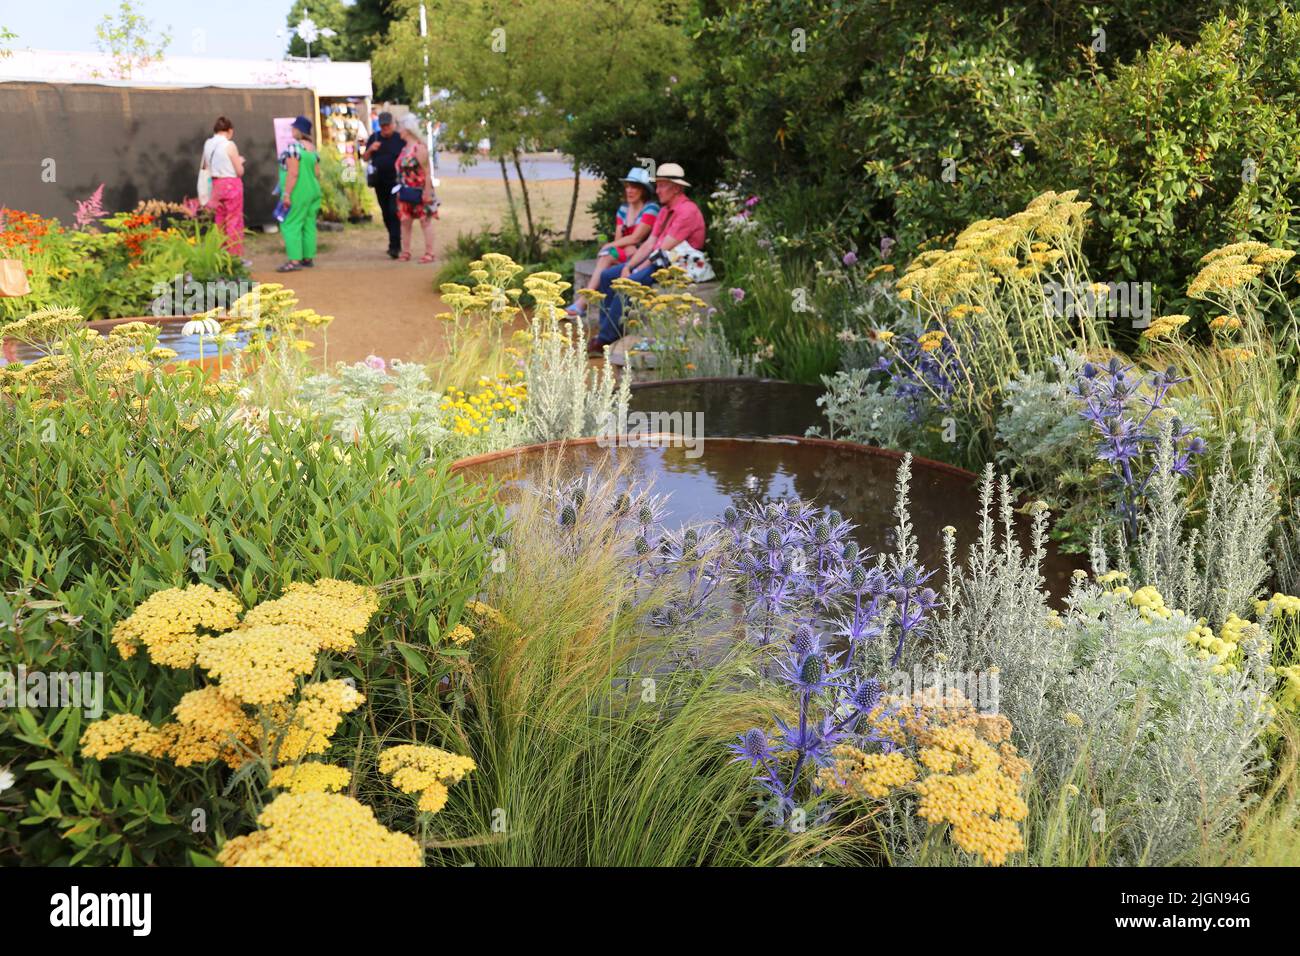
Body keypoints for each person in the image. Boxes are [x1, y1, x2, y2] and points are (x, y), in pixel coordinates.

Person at [588, 162, 706, 355]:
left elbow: (663, 249)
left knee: (630, 283)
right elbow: (650, 243)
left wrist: (634, 270)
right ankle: (608, 327)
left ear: (675, 188)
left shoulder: (687, 211)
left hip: (675, 265)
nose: (657, 190)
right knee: (608, 276)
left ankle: (605, 339)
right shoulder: (665, 210)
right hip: (659, 261)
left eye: (661, 185)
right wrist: (631, 265)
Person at [565, 166, 659, 319]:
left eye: (634, 187)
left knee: (608, 252)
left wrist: (614, 245)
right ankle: (583, 302)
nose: (629, 190)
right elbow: (618, 239)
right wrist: (625, 245)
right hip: (627, 252)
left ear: (643, 190)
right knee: (607, 255)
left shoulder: (651, 208)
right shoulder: (623, 209)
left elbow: (637, 238)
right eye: (627, 186)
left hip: (643, 255)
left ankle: (582, 303)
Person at [276, 116, 322, 273]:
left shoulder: (293, 149)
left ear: (299, 131)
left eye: (294, 128)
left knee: (291, 224)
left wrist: (287, 194)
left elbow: (293, 173)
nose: (292, 131)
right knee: (309, 224)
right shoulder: (312, 148)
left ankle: (294, 260)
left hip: (298, 191)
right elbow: (317, 172)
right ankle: (307, 258)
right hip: (313, 191)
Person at [394, 113, 438, 264]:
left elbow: (427, 172)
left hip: (419, 190)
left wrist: (427, 192)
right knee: (405, 221)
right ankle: (406, 251)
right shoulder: (405, 149)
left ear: (407, 129)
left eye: (400, 127)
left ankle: (429, 252)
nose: (398, 130)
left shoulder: (419, 148)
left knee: (425, 221)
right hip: (405, 191)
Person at [202, 117, 246, 261]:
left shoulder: (208, 144)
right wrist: (240, 162)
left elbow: (205, 167)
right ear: (230, 131)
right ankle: (234, 258)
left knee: (219, 221)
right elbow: (239, 171)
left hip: (216, 185)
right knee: (234, 222)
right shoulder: (229, 145)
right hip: (231, 184)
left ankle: (220, 257)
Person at [363, 111, 405, 258]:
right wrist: (370, 149)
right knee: (386, 214)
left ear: (393, 125)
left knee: (394, 212)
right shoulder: (374, 137)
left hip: (396, 182)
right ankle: (393, 240)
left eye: (388, 126)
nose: (385, 129)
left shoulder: (400, 139)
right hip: (379, 183)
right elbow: (364, 158)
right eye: (383, 126)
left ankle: (395, 246)